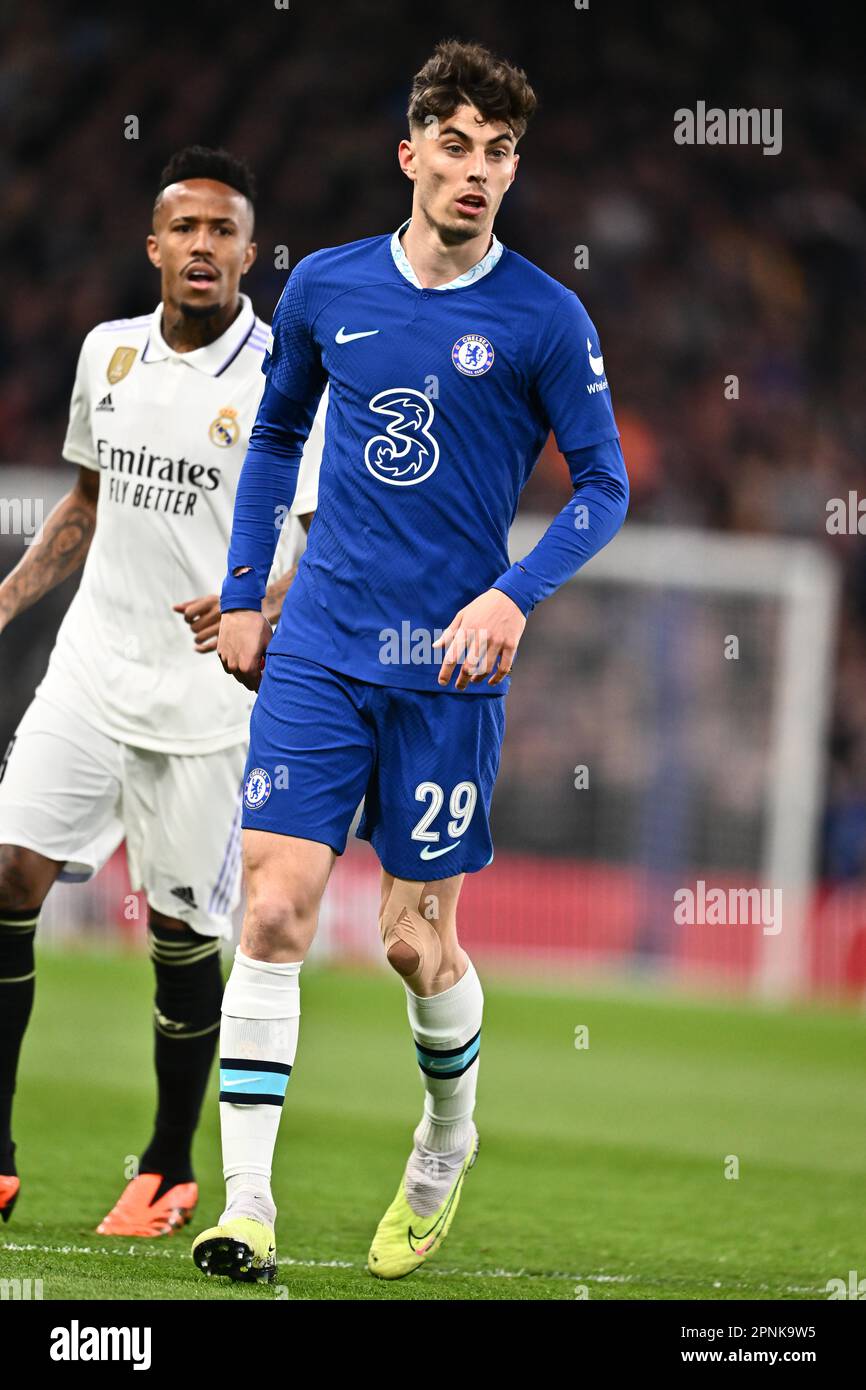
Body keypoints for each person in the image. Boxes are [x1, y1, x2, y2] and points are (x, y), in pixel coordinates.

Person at [192, 40, 628, 1284]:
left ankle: (446, 1136)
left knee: (410, 948)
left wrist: (510, 591)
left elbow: (604, 486)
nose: (478, 170)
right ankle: (248, 1208)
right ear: (410, 154)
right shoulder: (327, 287)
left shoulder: (545, 316)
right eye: (455, 144)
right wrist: (242, 598)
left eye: (499, 151)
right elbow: (275, 438)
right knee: (271, 908)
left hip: (444, 670)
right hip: (322, 644)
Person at [0, 145, 324, 1237]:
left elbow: (324, 543)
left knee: (182, 935)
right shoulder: (109, 354)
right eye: (184, 228)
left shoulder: (289, 375)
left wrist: (256, 607)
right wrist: (4, 600)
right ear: (154, 245)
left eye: (223, 230)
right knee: (5, 874)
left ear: (247, 250)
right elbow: (86, 505)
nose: (202, 246)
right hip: (89, 675)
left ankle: (170, 1166)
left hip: (204, 706)